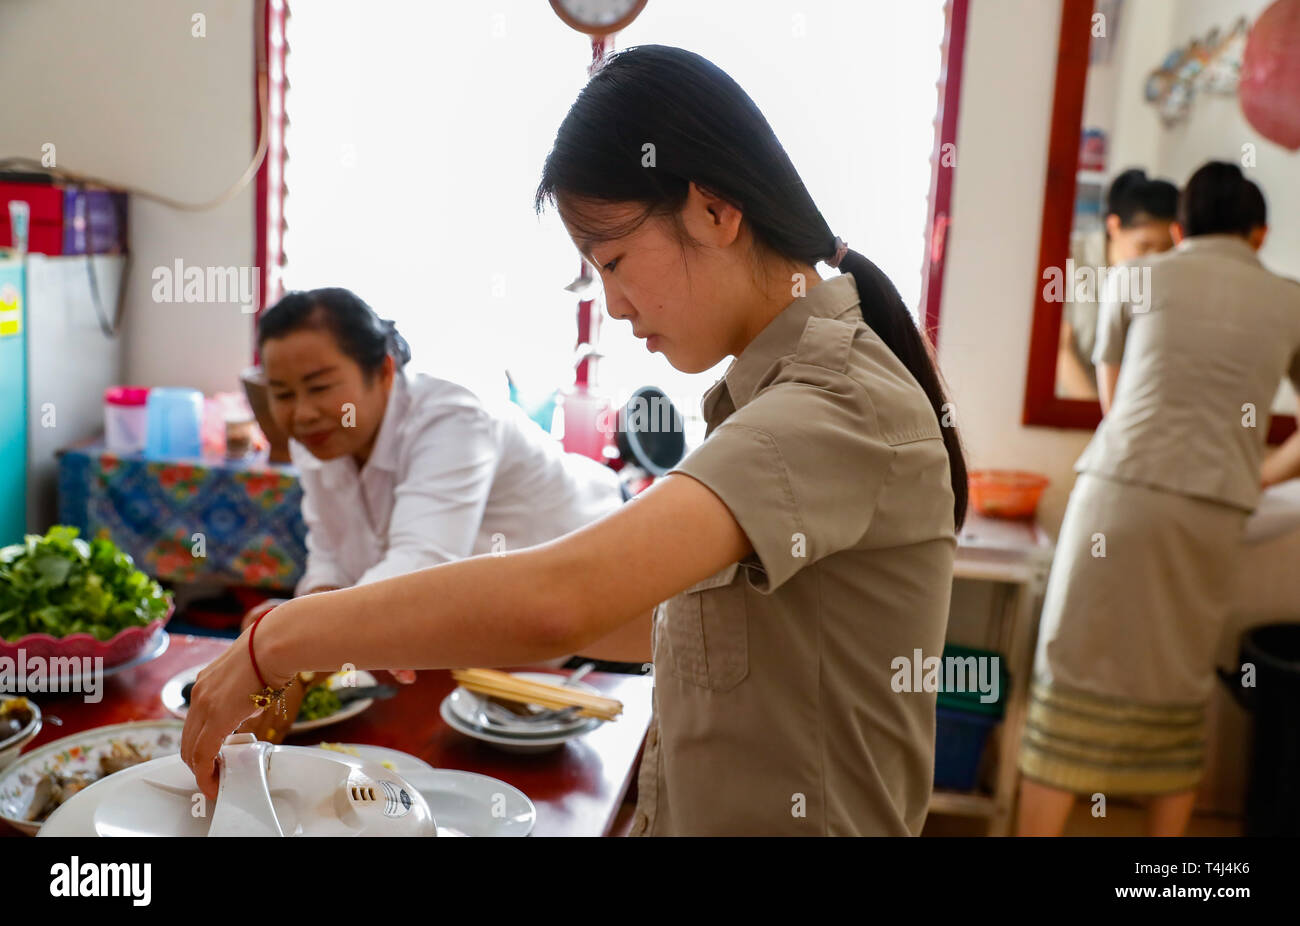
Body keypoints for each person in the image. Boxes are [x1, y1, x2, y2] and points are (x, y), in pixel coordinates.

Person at [182, 45, 966, 836]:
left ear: (715, 211)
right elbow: (661, 622)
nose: (617, 306)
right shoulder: (768, 392)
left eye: (615, 260)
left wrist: (276, 640)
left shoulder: (835, 399)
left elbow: (561, 600)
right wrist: (413, 627)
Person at [1018, 162, 1300, 836]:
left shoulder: (1135, 276)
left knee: (1073, 670)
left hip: (1118, 498)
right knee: (1178, 682)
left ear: (1180, 229)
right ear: (1259, 235)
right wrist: (1255, 473)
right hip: (1213, 514)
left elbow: (1117, 409)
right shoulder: (1290, 300)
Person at [247, 288, 626, 670]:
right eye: (282, 393)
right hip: (495, 625)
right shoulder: (319, 437)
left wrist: (294, 631)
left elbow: (421, 564)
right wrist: (305, 608)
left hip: (598, 585)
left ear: (382, 372)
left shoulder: (453, 415)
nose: (302, 413)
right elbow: (330, 555)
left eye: (319, 388)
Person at [1057, 168, 1177, 398]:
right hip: (1075, 411)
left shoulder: (1169, 275)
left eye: (1166, 249)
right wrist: (1103, 425)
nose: (1155, 260)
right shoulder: (1070, 262)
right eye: (1144, 247)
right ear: (1114, 227)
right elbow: (1061, 351)